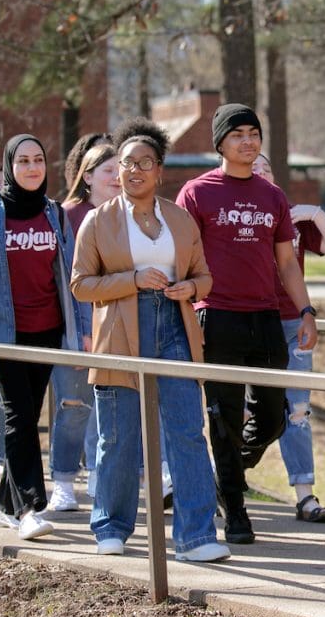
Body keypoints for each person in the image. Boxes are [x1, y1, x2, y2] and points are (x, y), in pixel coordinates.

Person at [71, 117, 229, 561]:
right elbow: (81, 285)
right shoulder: (97, 223)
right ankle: (111, 526)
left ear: (160, 170)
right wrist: (133, 279)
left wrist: (191, 289)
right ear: (116, 170)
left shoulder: (179, 219)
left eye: (145, 162)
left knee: (187, 433)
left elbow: (205, 276)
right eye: (126, 163)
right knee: (118, 437)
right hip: (120, 331)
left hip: (175, 328)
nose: (135, 170)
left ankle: (196, 537)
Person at [176, 104, 318, 545]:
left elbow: (288, 266)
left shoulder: (272, 196)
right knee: (224, 419)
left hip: (266, 318)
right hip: (216, 316)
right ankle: (235, 510)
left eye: (253, 133)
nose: (248, 141)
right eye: (237, 134)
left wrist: (307, 311)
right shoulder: (197, 193)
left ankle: (224, 474)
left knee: (275, 417)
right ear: (220, 142)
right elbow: (181, 257)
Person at [0, 134, 87, 541]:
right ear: (9, 166)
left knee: (27, 416)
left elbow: (69, 276)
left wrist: (77, 330)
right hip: (4, 333)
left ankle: (4, 503)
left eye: (38, 159)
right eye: (23, 160)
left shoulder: (54, 214)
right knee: (19, 415)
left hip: (47, 330)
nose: (32, 167)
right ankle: (31, 506)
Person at [251, 154, 325, 522]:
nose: (261, 173)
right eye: (254, 168)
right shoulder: (238, 216)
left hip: (294, 323)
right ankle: (224, 483)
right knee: (247, 410)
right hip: (250, 323)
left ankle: (305, 496)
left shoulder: (292, 217)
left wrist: (313, 212)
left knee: (297, 410)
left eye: (267, 168)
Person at [45, 142, 121, 512]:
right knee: (74, 405)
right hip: (76, 329)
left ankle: (97, 475)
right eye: (109, 169)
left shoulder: (128, 214)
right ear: (87, 176)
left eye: (122, 168)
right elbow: (63, 278)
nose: (118, 176)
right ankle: (62, 482)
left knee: (108, 407)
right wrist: (80, 328)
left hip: (117, 327)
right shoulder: (68, 215)